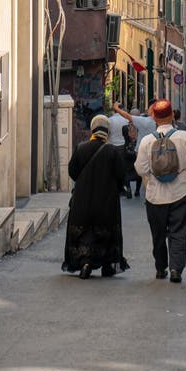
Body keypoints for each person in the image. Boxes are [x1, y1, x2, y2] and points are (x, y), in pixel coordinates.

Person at [134, 99, 186, 283]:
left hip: (155, 196)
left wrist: (154, 171)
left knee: (158, 234)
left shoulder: (147, 141)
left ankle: (160, 267)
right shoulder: (184, 137)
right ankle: (176, 269)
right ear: (172, 115)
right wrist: (181, 168)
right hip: (180, 193)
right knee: (178, 232)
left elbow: (140, 169)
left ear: (154, 117)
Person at [62, 114, 130, 279]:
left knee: (84, 231)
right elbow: (121, 175)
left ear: (93, 129)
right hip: (106, 200)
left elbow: (73, 171)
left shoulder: (81, 148)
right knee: (104, 232)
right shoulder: (112, 151)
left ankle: (85, 262)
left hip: (82, 199)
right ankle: (107, 265)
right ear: (107, 130)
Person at [122, 110, 142, 198]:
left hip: (127, 150)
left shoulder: (125, 128)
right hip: (137, 151)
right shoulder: (140, 128)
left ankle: (129, 189)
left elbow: (124, 137)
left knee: (126, 171)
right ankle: (137, 190)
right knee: (138, 171)